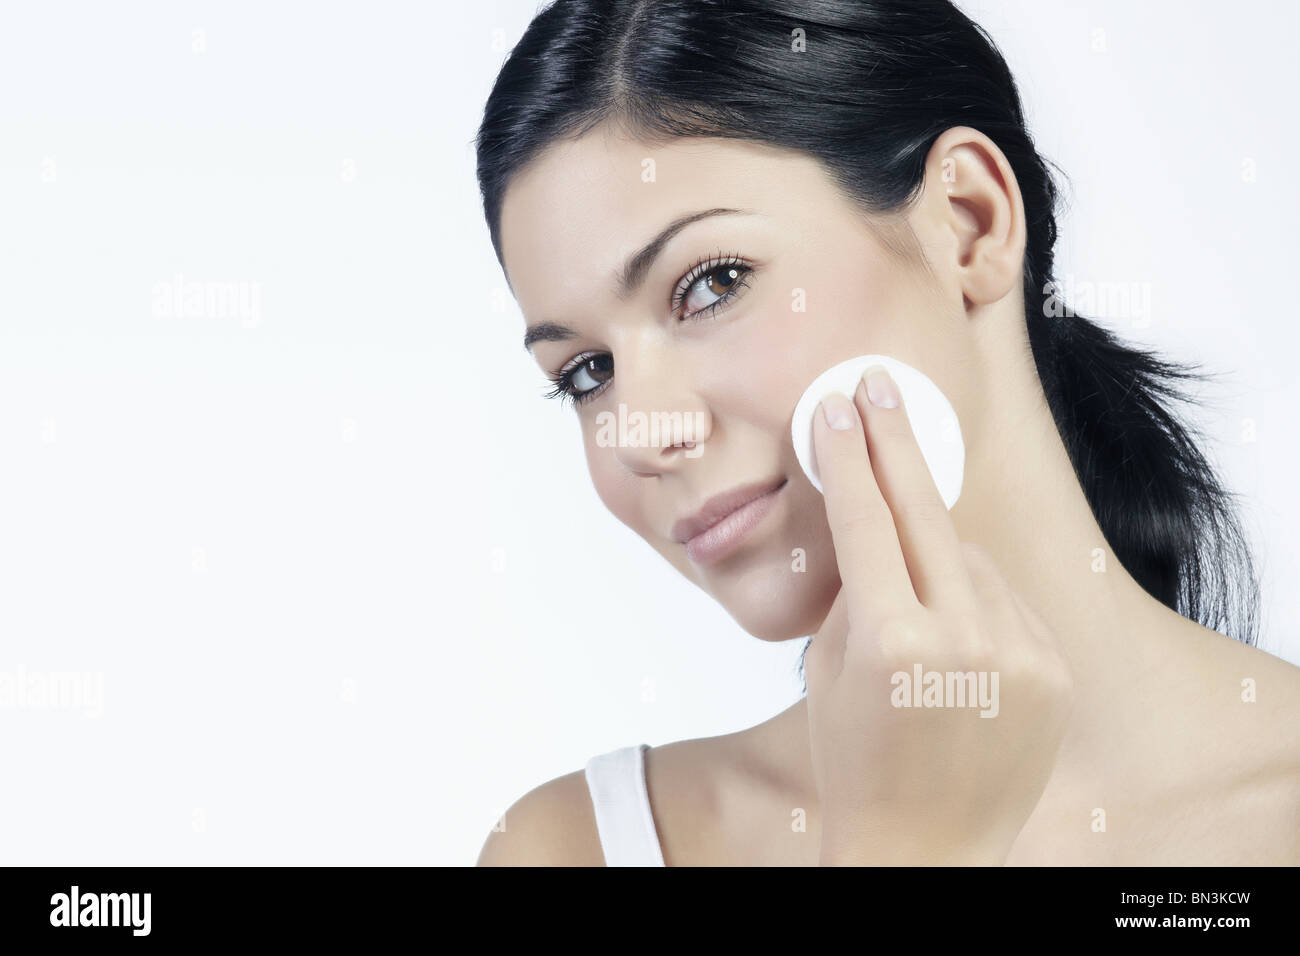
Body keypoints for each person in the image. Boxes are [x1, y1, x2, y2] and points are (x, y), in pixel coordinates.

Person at [473, 0, 1300, 865]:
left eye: (713, 284)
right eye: (588, 373)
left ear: (969, 222)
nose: (638, 436)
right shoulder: (578, 847)